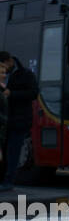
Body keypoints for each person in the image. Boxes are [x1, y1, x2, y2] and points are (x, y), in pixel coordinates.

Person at [0, 51, 38, 190]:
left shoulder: (26, 74)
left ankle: (8, 181)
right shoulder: (4, 73)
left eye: (4, 66)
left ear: (10, 61)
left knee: (13, 152)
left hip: (19, 119)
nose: (3, 70)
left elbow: (34, 93)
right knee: (4, 152)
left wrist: (12, 94)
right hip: (5, 121)